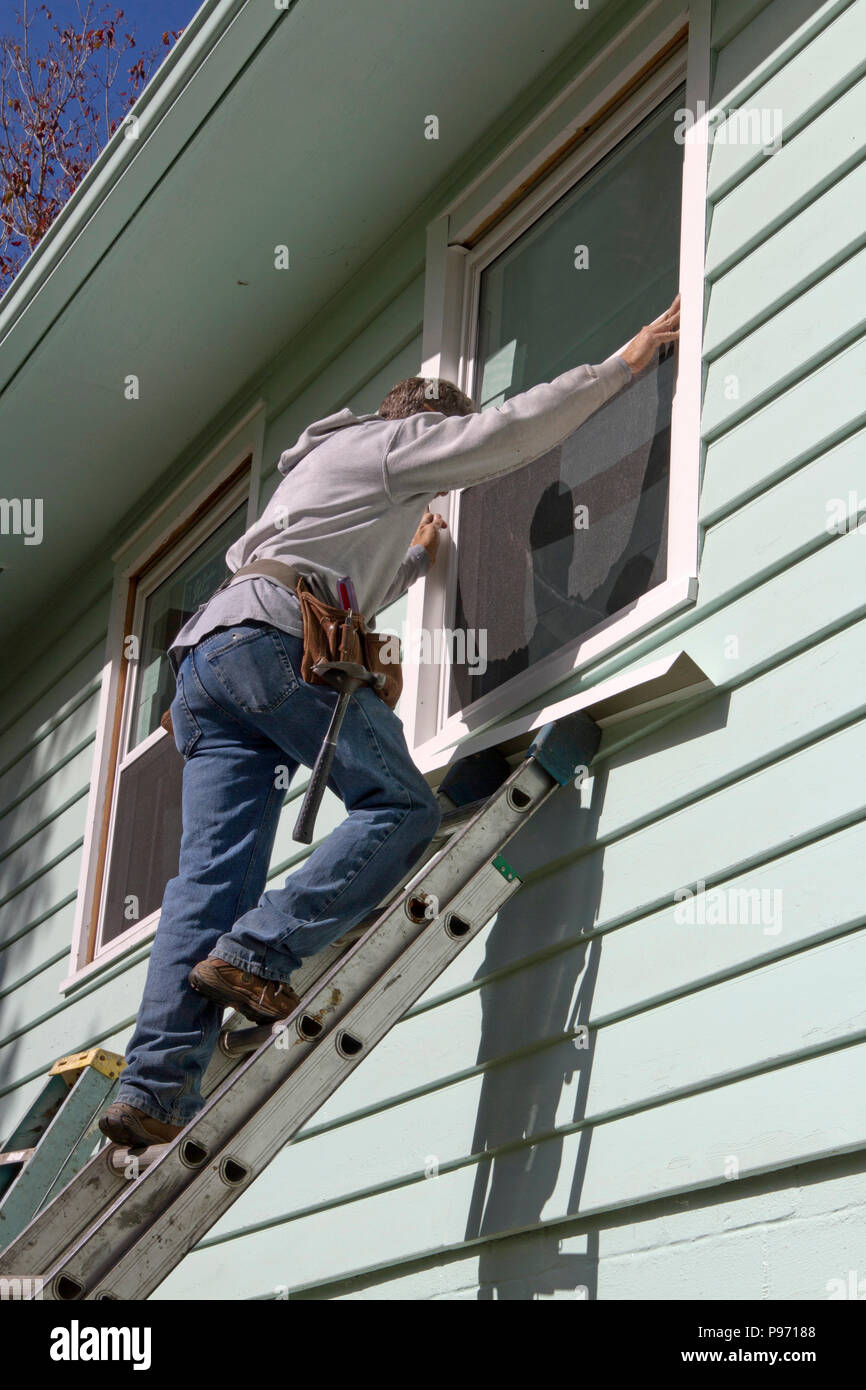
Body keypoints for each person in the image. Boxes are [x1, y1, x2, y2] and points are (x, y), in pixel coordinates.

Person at [100, 297, 681, 1146]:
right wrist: (622, 366)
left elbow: (314, 563)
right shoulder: (394, 446)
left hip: (206, 664)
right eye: (438, 456)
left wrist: (412, 558)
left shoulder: (320, 463)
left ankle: (153, 1086)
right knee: (402, 808)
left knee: (206, 886)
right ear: (423, 431)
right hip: (267, 646)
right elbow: (508, 434)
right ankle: (262, 950)